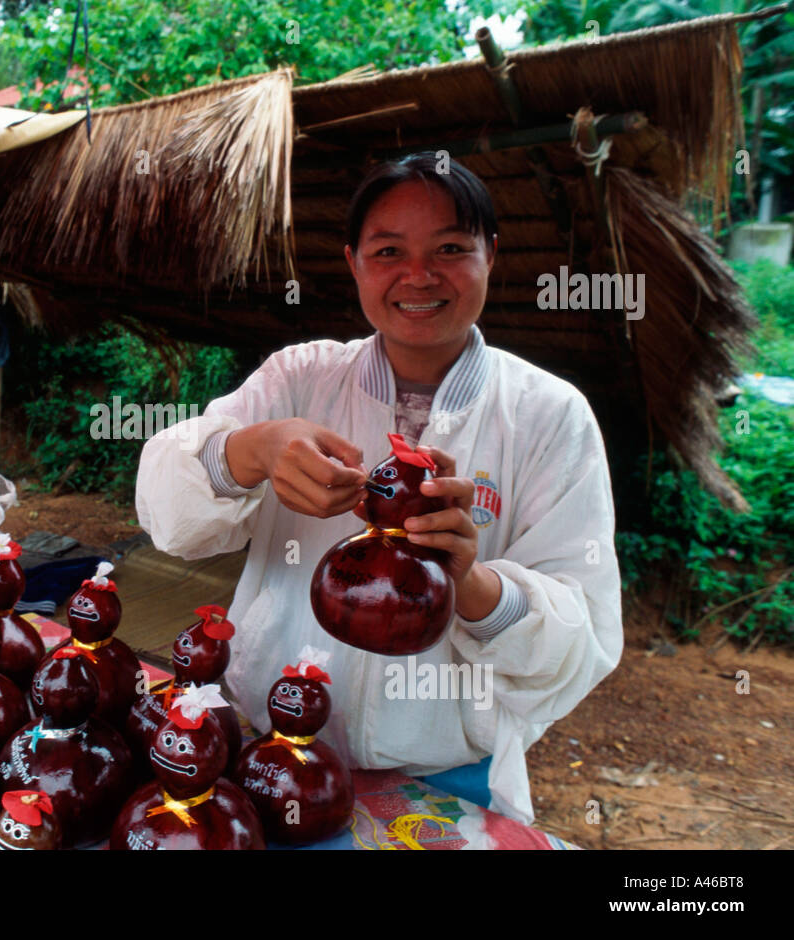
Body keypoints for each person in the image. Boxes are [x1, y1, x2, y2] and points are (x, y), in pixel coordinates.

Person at [135, 153, 622, 824]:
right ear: (355, 263)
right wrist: (252, 450)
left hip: (446, 781)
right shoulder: (299, 379)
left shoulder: (547, 416)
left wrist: (475, 586)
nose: (418, 275)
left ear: (491, 256)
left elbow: (583, 641)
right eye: (388, 251)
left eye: (450, 248)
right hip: (271, 756)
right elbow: (167, 512)